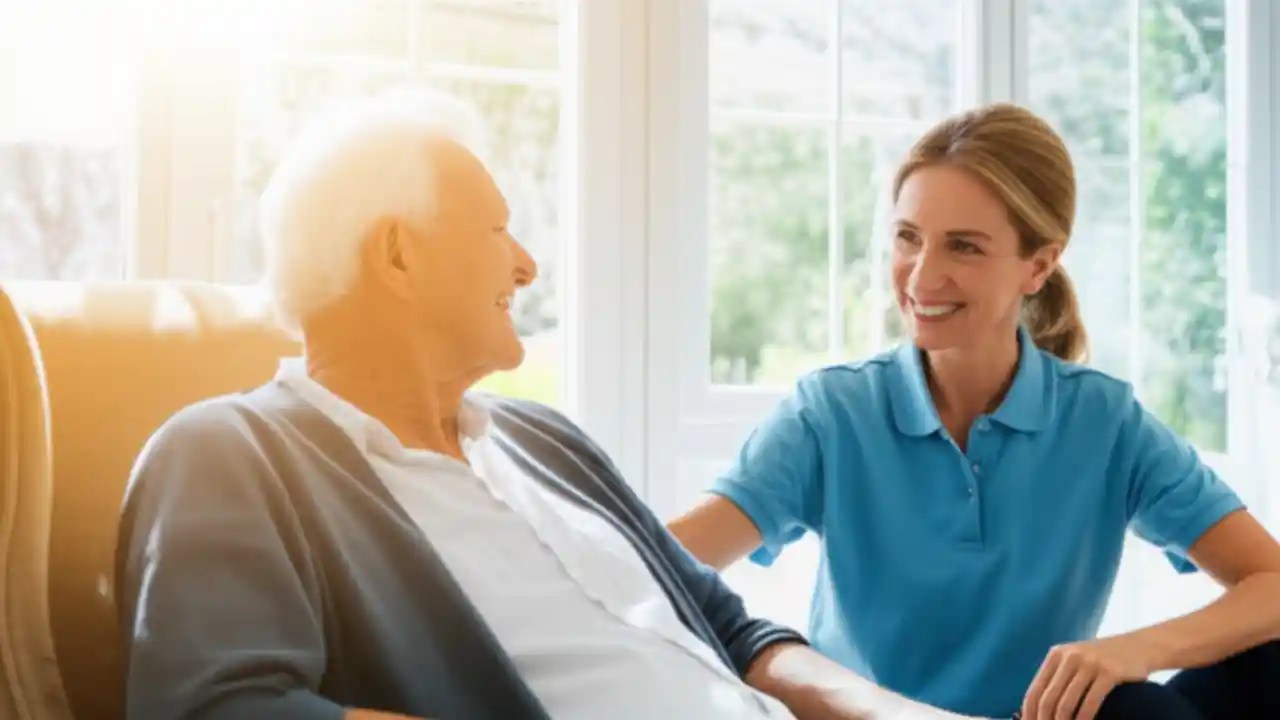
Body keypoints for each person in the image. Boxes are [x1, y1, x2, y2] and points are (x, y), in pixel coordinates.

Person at [114, 91, 991, 720]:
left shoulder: (544, 440)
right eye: (498, 230)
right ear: (396, 254)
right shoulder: (231, 453)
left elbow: (728, 627)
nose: (527, 265)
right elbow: (222, 706)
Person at [668, 103, 1280, 720]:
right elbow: (652, 568)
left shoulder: (1103, 421)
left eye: (963, 247)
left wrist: (1134, 650)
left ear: (1038, 266)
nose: (922, 275)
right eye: (908, 238)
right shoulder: (832, 414)